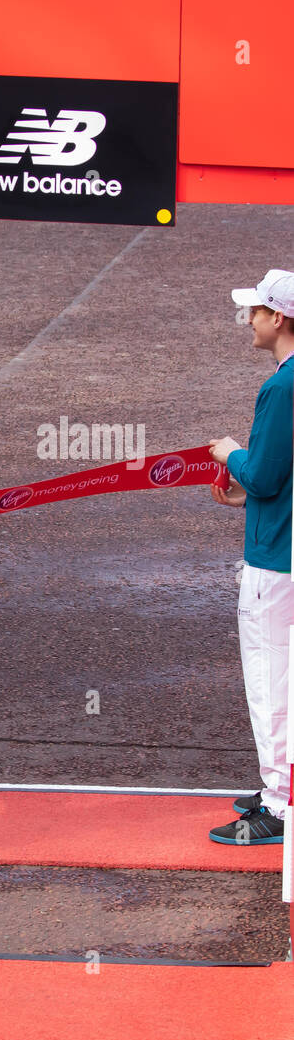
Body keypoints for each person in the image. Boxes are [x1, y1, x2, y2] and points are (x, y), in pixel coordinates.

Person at [206, 270, 294, 844]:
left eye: (258, 311)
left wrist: (231, 455)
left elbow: (263, 475)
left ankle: (279, 802)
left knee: (271, 677)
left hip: (275, 557)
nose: (251, 320)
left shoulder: (283, 388)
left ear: (280, 318)